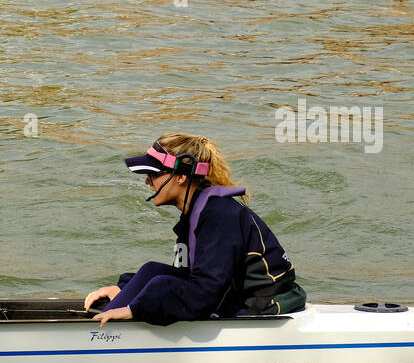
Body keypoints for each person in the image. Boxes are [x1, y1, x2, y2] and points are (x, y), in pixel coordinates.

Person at [84, 133, 305, 326]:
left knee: (161, 285)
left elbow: (205, 292)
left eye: (154, 174)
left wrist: (135, 309)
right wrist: (125, 288)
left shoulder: (220, 215)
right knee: (152, 271)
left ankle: (105, 332)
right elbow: (188, 276)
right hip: (229, 293)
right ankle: (103, 321)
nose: (147, 182)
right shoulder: (195, 211)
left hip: (264, 303)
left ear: (181, 177)